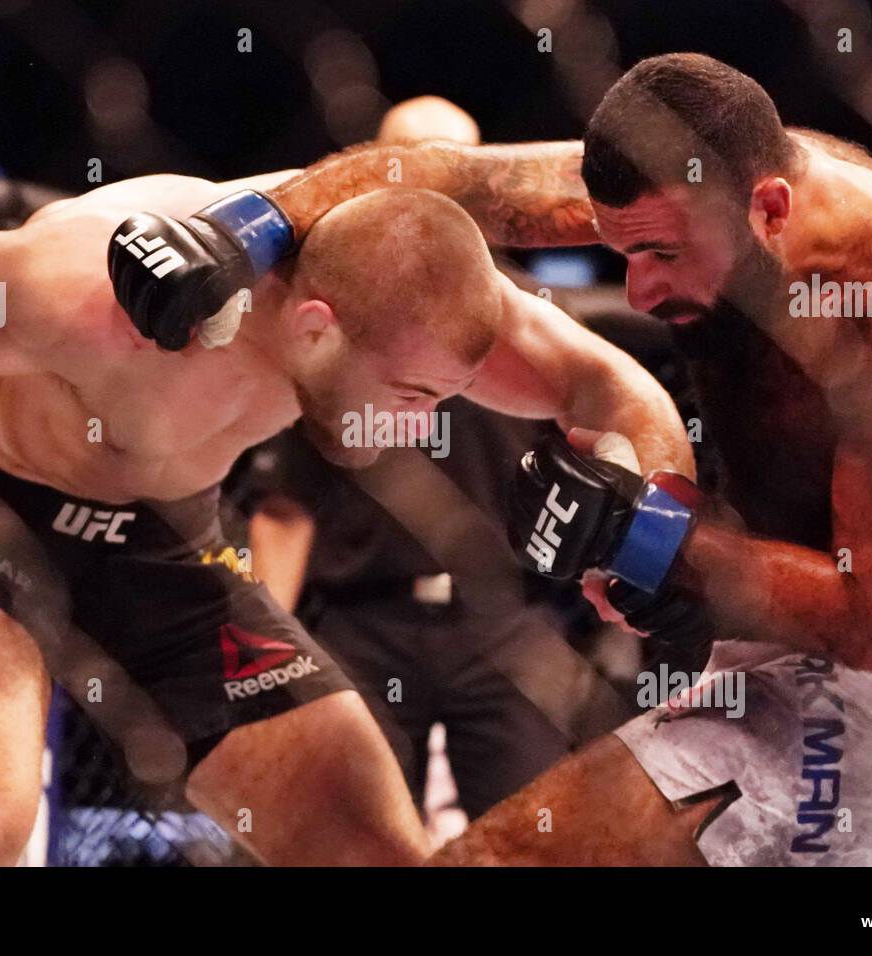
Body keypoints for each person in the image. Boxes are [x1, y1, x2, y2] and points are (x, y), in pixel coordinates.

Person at [143, 53, 872, 866]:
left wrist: (650, 536)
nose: (638, 290)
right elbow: (428, 172)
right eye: (620, 251)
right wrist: (250, 228)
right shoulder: (688, 185)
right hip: (753, 654)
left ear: (769, 211)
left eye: (661, 255)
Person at [0, 161, 689, 864]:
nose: (424, 425)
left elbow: (611, 380)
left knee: (377, 851)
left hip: (171, 553)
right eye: (411, 394)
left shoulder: (417, 294)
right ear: (316, 326)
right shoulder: (98, 284)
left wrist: (643, 523)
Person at [239, 95, 627, 831]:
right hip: (363, 618)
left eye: (450, 165)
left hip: (505, 620)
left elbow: (599, 433)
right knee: (350, 832)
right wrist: (264, 661)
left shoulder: (531, 318)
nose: (430, 181)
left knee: (528, 834)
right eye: (409, 162)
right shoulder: (337, 302)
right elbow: (286, 505)